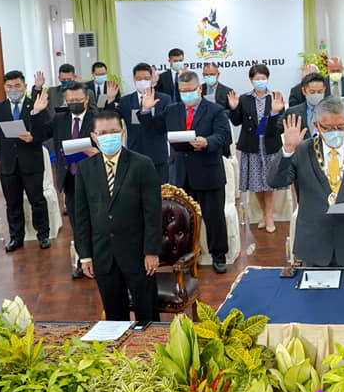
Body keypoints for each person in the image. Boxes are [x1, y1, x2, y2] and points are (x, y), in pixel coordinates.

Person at [267, 97, 344, 267]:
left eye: (341, 127)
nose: (335, 132)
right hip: (313, 245)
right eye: (328, 128)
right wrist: (287, 150)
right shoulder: (302, 150)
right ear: (317, 126)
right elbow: (275, 181)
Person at [139, 71, 232, 273]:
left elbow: (223, 136)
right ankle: (186, 256)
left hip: (208, 172)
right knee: (182, 219)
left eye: (190, 91)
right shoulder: (172, 110)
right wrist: (145, 111)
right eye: (182, 91)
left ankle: (219, 255)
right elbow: (153, 128)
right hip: (180, 173)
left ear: (199, 89)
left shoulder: (215, 110)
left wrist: (207, 142)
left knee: (214, 217)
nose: (186, 94)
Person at [73, 110, 161, 322]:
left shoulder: (142, 164)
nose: (108, 136)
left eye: (113, 131)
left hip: (138, 255)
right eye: (103, 133)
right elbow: (81, 215)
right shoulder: (85, 169)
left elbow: (152, 212)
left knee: (147, 315)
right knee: (114, 317)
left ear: (122, 133)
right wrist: (85, 255)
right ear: (94, 137)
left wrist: (151, 251)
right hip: (103, 256)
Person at [0, 72, 51, 252]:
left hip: (31, 161)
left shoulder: (35, 104)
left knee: (37, 201)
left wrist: (33, 137)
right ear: (4, 88)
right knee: (12, 203)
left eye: (17, 86)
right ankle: (16, 238)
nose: (13, 90)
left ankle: (43, 235)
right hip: (8, 163)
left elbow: (47, 131)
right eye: (9, 86)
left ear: (24, 86)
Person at [32, 82, 96, 276]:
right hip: (70, 178)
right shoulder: (60, 119)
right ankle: (83, 262)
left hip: (93, 178)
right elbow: (40, 134)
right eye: (70, 101)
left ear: (86, 99)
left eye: (77, 100)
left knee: (97, 221)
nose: (73, 103)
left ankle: (102, 261)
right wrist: (37, 113)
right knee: (78, 224)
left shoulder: (97, 118)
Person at [228, 64, 285, 233]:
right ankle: (264, 213)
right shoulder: (245, 98)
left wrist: (275, 113)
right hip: (252, 145)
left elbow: (281, 124)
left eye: (263, 78)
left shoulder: (275, 96)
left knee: (271, 182)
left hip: (270, 144)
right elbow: (237, 121)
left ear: (268, 78)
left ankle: (269, 216)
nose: (260, 81)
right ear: (251, 80)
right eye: (256, 78)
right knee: (257, 183)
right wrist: (233, 108)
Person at [113, 63, 171, 183]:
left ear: (152, 78)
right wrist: (109, 101)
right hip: (134, 155)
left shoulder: (164, 99)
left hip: (158, 156)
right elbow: (112, 120)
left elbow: (164, 125)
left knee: (161, 195)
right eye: (139, 79)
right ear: (134, 79)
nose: (143, 81)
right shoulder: (126, 101)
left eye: (146, 78)